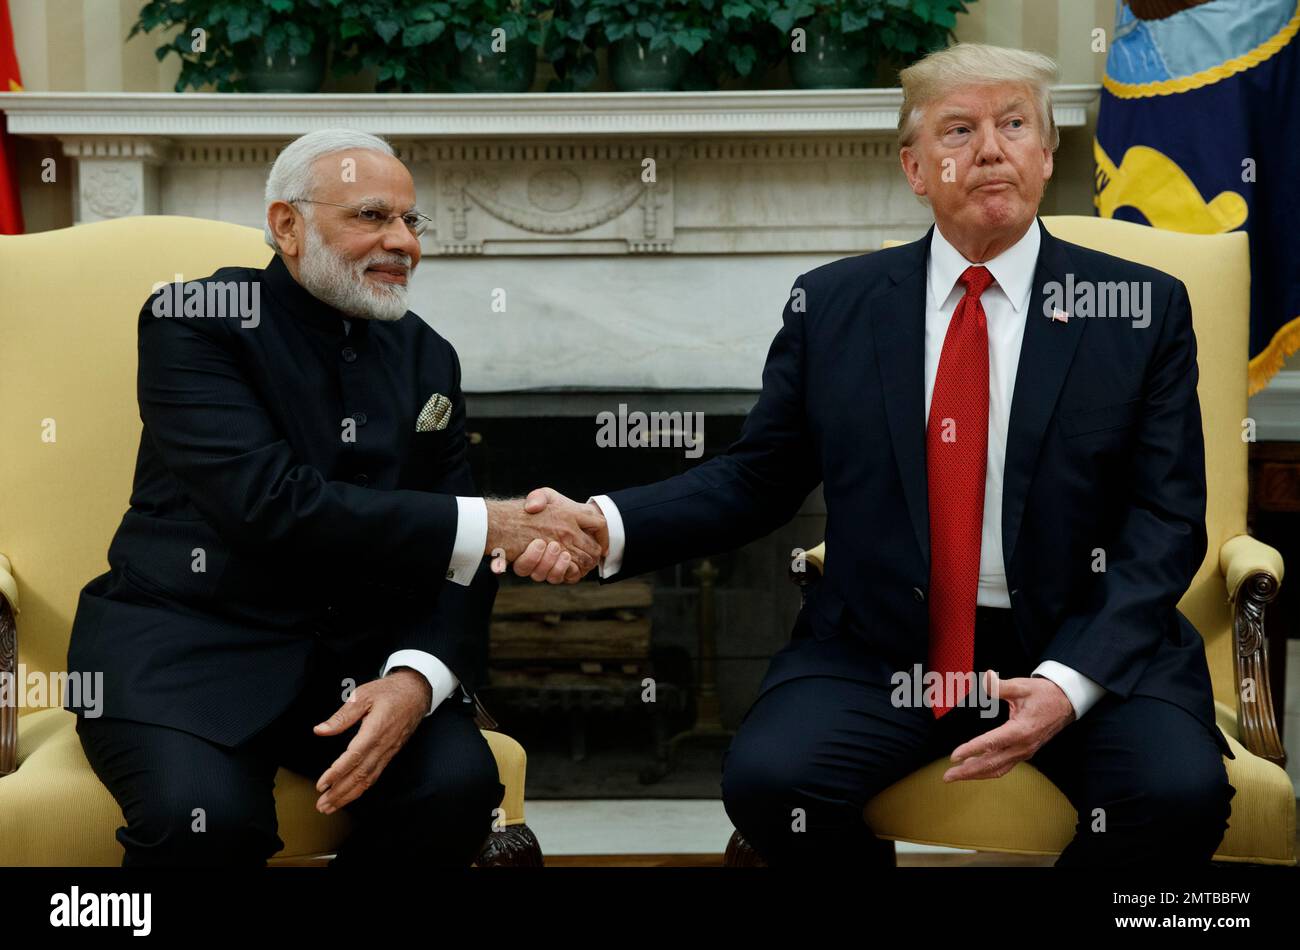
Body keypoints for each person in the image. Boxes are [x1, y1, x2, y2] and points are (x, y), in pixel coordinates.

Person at [517, 43, 1236, 866]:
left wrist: (1070, 682)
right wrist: (605, 524)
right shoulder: (833, 307)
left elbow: (1166, 519)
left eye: (1013, 125)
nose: (991, 149)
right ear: (914, 168)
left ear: (1046, 154)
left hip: (1085, 639)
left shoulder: (1138, 309)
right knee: (772, 782)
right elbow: (760, 478)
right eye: (959, 130)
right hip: (886, 648)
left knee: (1177, 796)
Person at [65, 129, 605, 866]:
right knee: (206, 820)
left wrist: (417, 678)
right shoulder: (194, 320)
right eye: (372, 217)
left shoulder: (426, 356)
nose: (402, 243)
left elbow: (461, 560)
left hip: (361, 661)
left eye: (411, 222)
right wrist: (492, 521)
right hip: (189, 651)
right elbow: (270, 502)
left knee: (455, 785)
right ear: (287, 225)